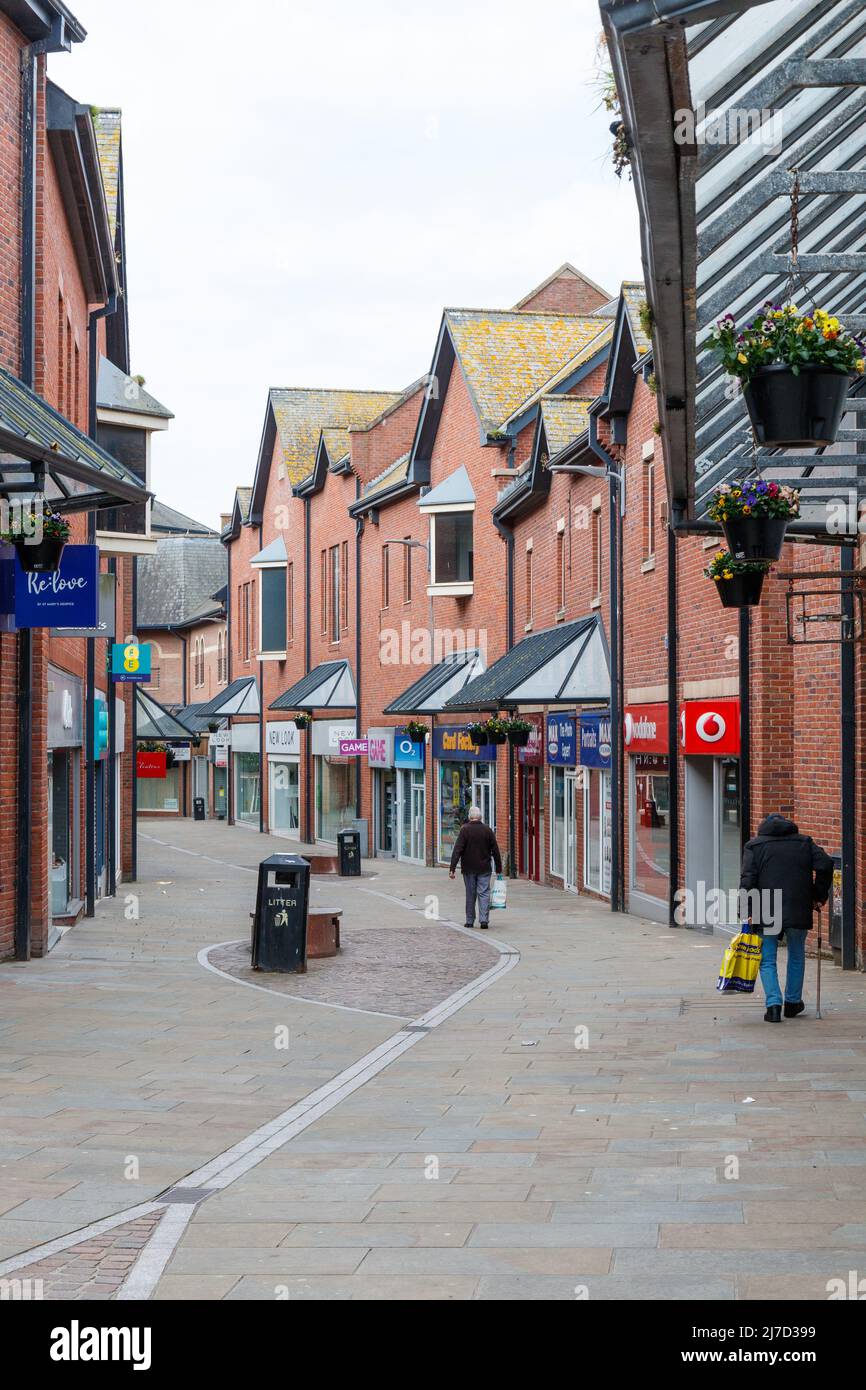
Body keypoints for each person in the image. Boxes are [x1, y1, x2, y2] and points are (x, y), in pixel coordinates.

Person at [739, 813, 833, 1023]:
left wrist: (746, 911)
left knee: (767, 958)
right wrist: (817, 895)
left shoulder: (754, 846)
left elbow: (747, 881)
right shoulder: (804, 843)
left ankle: (773, 1006)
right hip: (798, 905)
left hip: (765, 908)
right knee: (797, 954)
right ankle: (792, 1003)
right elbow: (826, 864)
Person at [449, 806, 502, 930]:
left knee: (470, 894)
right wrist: (499, 868)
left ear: (469, 817)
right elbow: (495, 850)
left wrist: (452, 868)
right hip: (484, 868)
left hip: (469, 868)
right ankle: (484, 920)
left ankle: (469, 921)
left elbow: (457, 850)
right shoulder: (487, 830)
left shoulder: (464, 830)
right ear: (480, 817)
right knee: (484, 893)